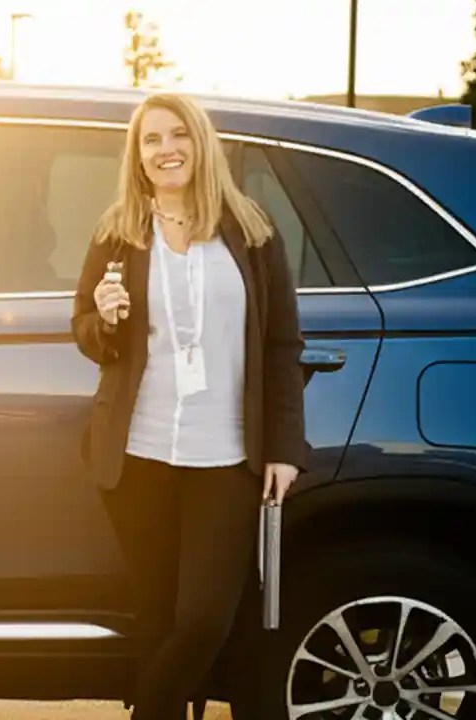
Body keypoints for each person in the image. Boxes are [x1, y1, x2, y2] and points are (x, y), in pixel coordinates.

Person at [72, 92, 309, 719]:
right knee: (153, 615)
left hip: (226, 457)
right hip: (138, 454)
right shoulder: (118, 232)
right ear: (138, 155)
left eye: (177, 135)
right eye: (151, 140)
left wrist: (284, 447)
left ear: (200, 143)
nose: (166, 149)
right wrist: (105, 319)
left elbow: (283, 345)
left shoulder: (252, 231)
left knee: (204, 618)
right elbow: (87, 334)